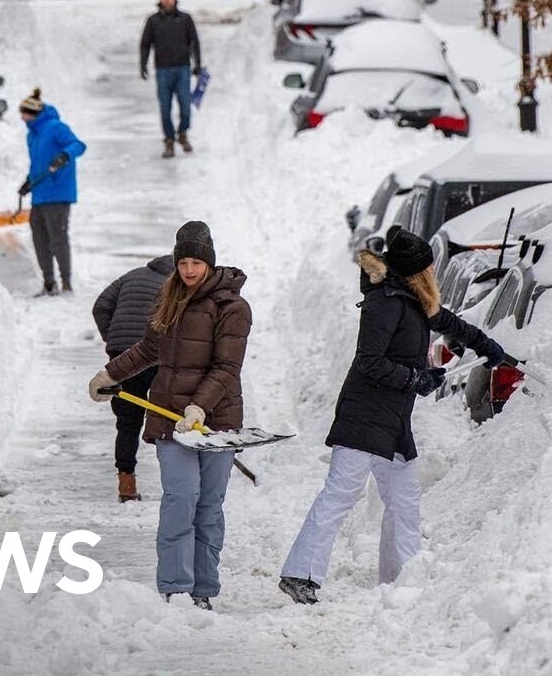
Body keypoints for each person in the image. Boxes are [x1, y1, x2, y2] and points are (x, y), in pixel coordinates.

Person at [277, 226, 507, 605]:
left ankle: (404, 576)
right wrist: (415, 378)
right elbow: (369, 361)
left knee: (404, 498)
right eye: (429, 270)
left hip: (393, 418)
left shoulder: (412, 299)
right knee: (341, 494)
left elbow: (448, 322)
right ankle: (300, 573)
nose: (434, 275)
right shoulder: (385, 303)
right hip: (364, 415)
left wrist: (485, 345)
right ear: (415, 273)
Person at [88, 222, 251, 610]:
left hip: (216, 424)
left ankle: (204, 591)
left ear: (209, 263)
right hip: (170, 420)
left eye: (197, 262)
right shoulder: (169, 299)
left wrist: (200, 406)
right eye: (184, 263)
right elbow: (148, 349)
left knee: (208, 508)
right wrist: (110, 374)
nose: (190, 270)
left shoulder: (233, 307)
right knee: (181, 498)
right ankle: (176, 588)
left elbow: (227, 368)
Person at [92, 254, 177, 503]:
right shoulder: (175, 286)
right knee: (170, 414)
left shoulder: (132, 275)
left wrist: (115, 340)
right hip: (155, 353)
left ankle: (126, 482)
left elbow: (100, 306)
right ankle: (178, 482)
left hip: (122, 354)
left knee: (128, 420)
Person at [18, 88, 87, 296]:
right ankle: (49, 282)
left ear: (34, 113)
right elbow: (37, 165)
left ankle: (66, 282)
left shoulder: (56, 127)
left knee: (58, 238)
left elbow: (78, 145)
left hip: (58, 192)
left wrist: (65, 155)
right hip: (40, 193)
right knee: (39, 239)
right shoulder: (32, 134)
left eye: (25, 113)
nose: (22, 117)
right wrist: (28, 182)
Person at [139, 0, 201, 159]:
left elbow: (194, 42)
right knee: (165, 108)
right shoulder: (153, 21)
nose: (167, 1)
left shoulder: (185, 19)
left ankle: (182, 133)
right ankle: (168, 139)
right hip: (163, 70)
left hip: (182, 69)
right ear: (161, 0)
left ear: (174, 0)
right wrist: (143, 65)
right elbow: (145, 44)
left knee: (185, 106)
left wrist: (197, 64)